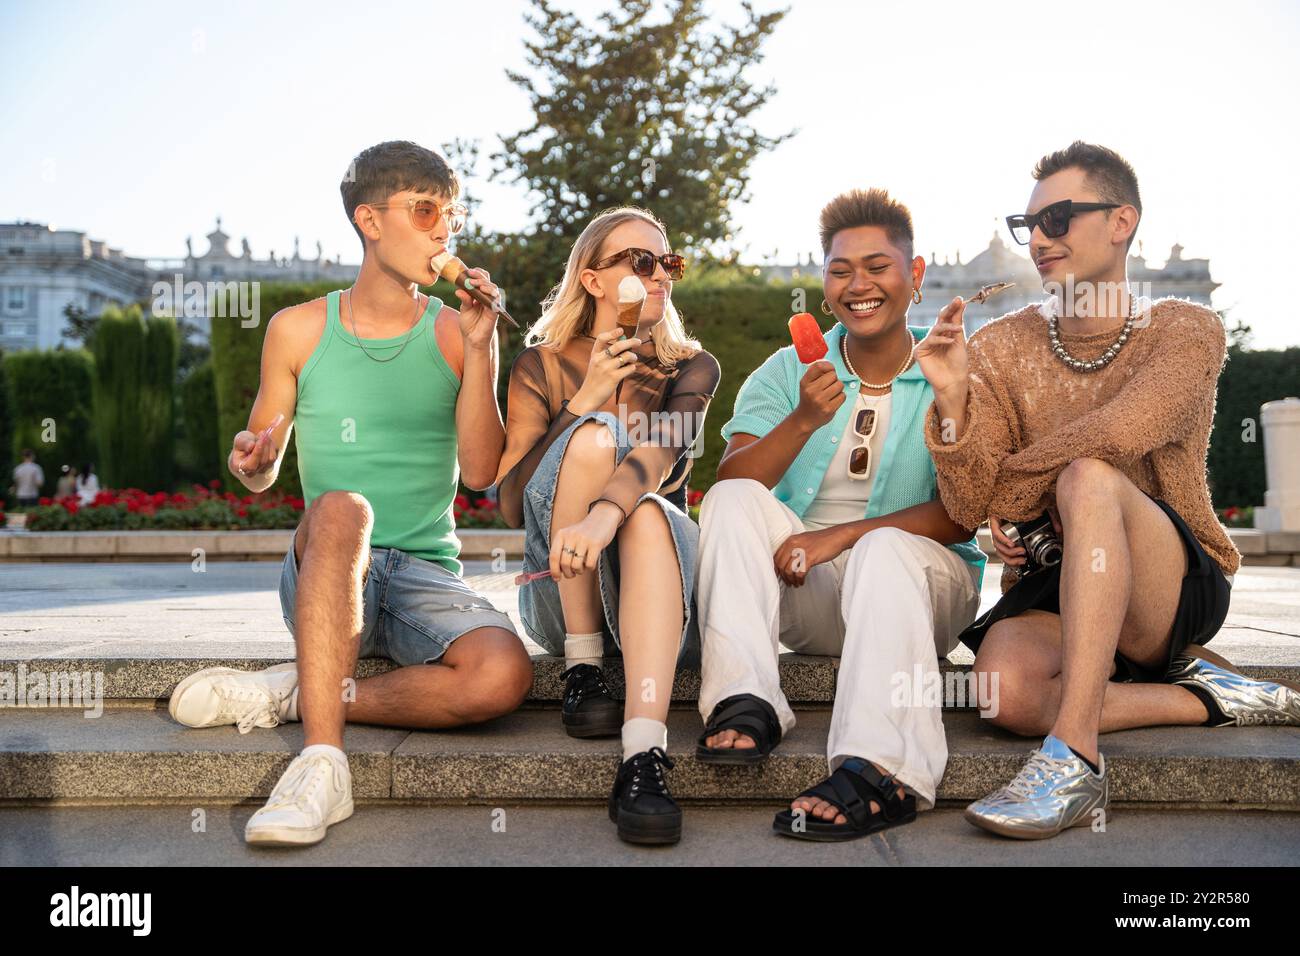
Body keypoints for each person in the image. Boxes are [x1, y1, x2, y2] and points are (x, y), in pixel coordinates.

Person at [917, 141, 1300, 840]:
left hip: (1170, 581)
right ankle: (1199, 695)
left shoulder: (1185, 331)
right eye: (1026, 224)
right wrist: (951, 405)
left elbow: (1118, 437)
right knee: (1001, 696)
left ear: (1122, 221)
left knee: (1089, 476)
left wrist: (1020, 494)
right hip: (1061, 582)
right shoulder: (1000, 345)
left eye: (1058, 218)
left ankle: (1072, 758)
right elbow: (973, 505)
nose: (1038, 238)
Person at [168, 141, 533, 847]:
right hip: (334, 561)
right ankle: (323, 764)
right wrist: (254, 460)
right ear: (369, 219)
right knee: (342, 506)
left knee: (502, 673)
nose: (441, 230)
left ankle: (305, 689)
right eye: (424, 210)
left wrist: (485, 348)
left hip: (425, 577)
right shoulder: (298, 328)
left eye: (450, 216)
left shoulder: (457, 332)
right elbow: (262, 460)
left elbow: (483, 471)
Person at [695, 189, 986, 841]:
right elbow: (733, 486)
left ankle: (885, 767)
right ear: (823, 282)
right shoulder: (786, 371)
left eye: (878, 266)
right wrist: (802, 420)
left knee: (882, 551)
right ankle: (745, 700)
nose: (859, 285)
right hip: (811, 595)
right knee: (734, 499)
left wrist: (843, 535)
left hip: (924, 594)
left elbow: (964, 515)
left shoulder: (952, 372)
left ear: (914, 276)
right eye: (840, 269)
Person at [495, 206, 720, 845]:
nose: (660, 276)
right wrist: (583, 401)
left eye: (667, 263)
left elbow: (663, 451)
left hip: (663, 597)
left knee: (644, 506)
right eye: (640, 262)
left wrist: (604, 513)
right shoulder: (539, 366)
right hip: (560, 599)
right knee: (591, 439)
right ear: (593, 280)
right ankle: (583, 664)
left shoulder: (690, 366)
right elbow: (513, 503)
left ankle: (644, 755)